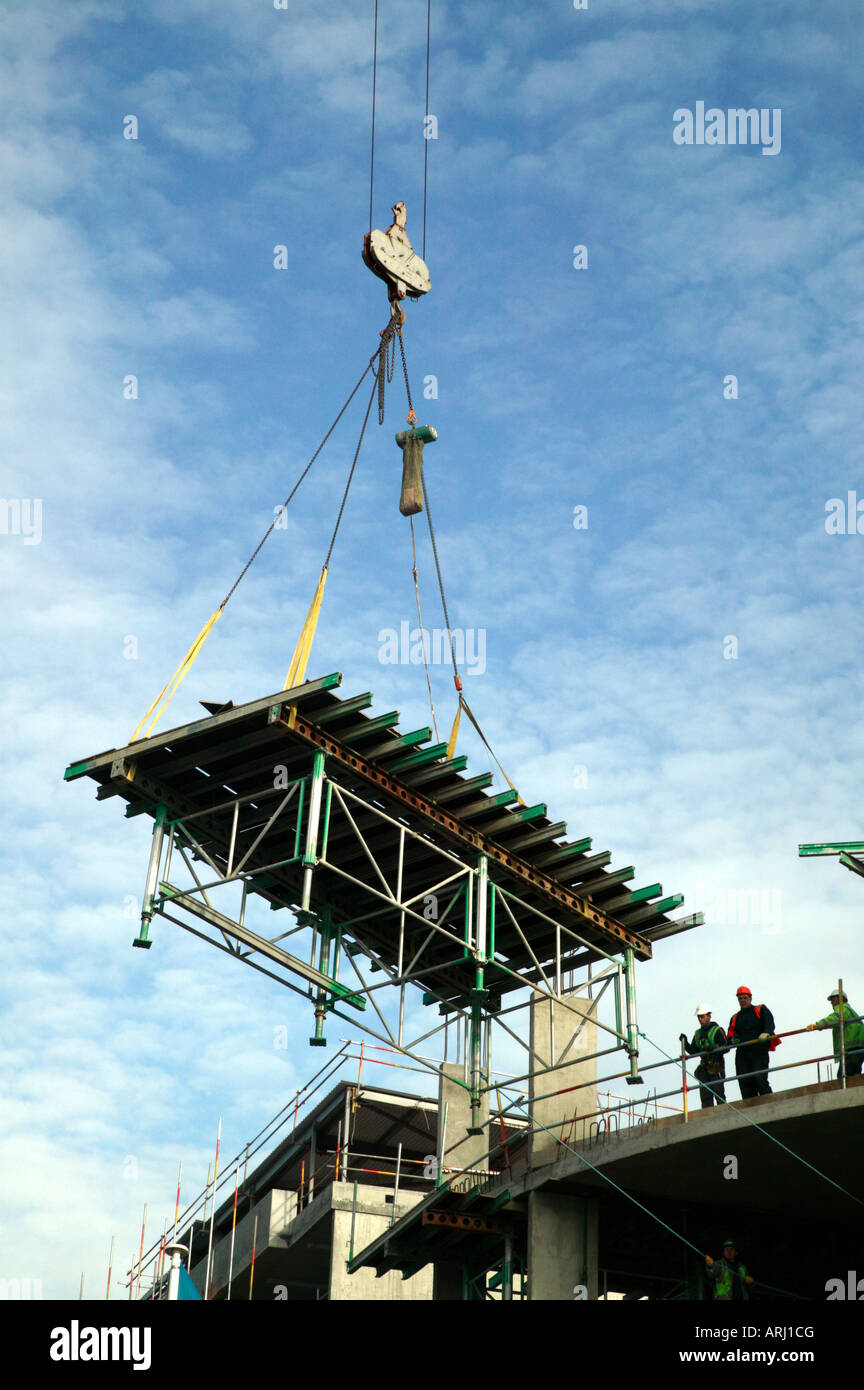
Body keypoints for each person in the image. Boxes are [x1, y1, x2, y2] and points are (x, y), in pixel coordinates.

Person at [727, 986, 775, 1099]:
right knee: (745, 1082)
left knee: (760, 1079)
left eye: (745, 997)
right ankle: (750, 1110)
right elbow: (730, 1036)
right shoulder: (735, 1018)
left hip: (758, 1051)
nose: (743, 1000)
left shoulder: (760, 1009)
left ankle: (769, 1102)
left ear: (750, 998)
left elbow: (770, 1022)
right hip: (742, 1054)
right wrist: (732, 1040)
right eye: (740, 998)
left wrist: (767, 1032)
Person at [806, 987, 864, 1079]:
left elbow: (834, 1018)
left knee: (843, 1076)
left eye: (833, 999)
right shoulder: (849, 1010)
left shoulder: (843, 1009)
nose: (831, 1002)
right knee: (855, 1076)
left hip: (852, 1049)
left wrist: (818, 1025)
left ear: (839, 998)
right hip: (857, 1049)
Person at [679, 1004, 727, 1106]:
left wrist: (715, 1048)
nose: (700, 1019)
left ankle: (722, 1116)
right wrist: (685, 1043)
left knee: (719, 1094)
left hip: (716, 1067)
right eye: (699, 1017)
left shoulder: (717, 1030)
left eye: (702, 1016)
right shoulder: (698, 1034)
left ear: (709, 1016)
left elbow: (726, 1047)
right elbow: (694, 1051)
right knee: (705, 1098)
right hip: (704, 1068)